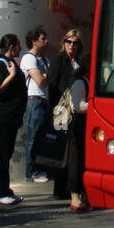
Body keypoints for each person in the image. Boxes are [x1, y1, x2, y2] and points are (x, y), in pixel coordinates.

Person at [0, 35, 26, 206]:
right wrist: (11, 76)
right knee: (0, 154)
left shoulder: (9, 64)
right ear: (11, 46)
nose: (20, 48)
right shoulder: (0, 64)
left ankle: (5, 189)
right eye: (18, 45)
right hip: (1, 117)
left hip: (11, 117)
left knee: (6, 153)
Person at [48, 31, 83, 200]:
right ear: (64, 42)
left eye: (75, 43)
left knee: (72, 149)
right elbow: (52, 85)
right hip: (61, 109)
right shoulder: (58, 59)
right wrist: (53, 110)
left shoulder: (79, 62)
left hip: (75, 108)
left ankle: (70, 185)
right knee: (60, 148)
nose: (71, 45)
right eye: (69, 41)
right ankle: (59, 187)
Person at [20, 26, 50, 183]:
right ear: (34, 41)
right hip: (34, 100)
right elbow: (41, 81)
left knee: (41, 137)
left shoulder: (44, 60)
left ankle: (38, 169)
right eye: (42, 38)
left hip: (44, 101)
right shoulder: (29, 58)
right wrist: (46, 76)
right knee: (33, 136)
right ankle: (30, 172)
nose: (46, 41)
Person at [67, 54, 92, 211]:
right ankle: (75, 196)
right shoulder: (80, 82)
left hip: (85, 124)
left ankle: (83, 195)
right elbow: (78, 106)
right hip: (79, 124)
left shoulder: (87, 81)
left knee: (83, 160)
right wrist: (96, 106)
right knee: (78, 160)